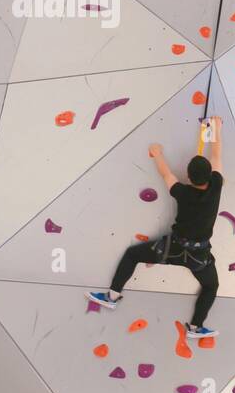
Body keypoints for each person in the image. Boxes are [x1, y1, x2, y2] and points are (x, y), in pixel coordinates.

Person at [87, 116, 225, 339]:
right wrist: (216, 128)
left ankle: (112, 296)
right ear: (211, 175)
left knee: (132, 255)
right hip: (199, 256)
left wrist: (157, 153)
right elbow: (216, 155)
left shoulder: (182, 192)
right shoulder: (217, 186)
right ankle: (196, 327)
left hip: (172, 248)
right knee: (211, 286)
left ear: (188, 177)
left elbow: (166, 174)